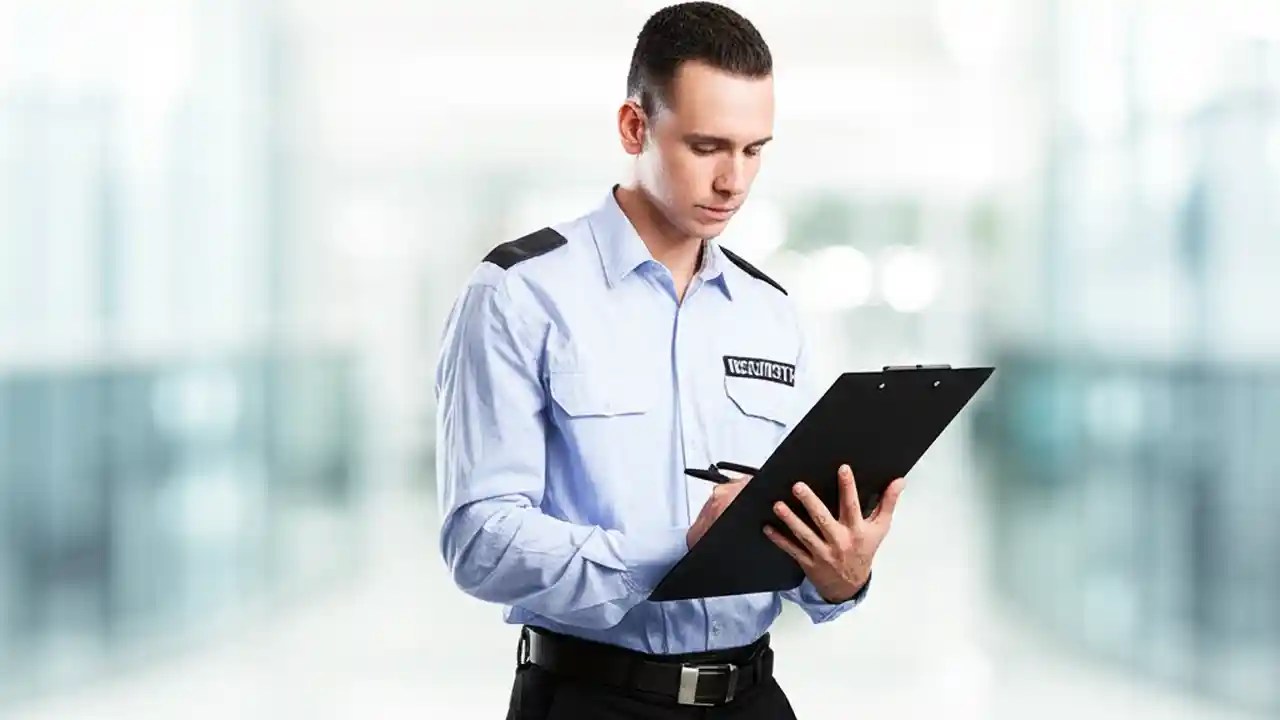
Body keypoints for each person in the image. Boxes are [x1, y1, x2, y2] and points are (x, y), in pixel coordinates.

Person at [434, 3, 906, 718]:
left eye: (754, 150)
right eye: (708, 146)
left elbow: (788, 542)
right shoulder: (520, 293)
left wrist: (839, 572)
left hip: (754, 697)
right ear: (634, 127)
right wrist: (675, 549)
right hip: (592, 698)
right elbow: (480, 540)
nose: (733, 182)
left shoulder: (770, 311)